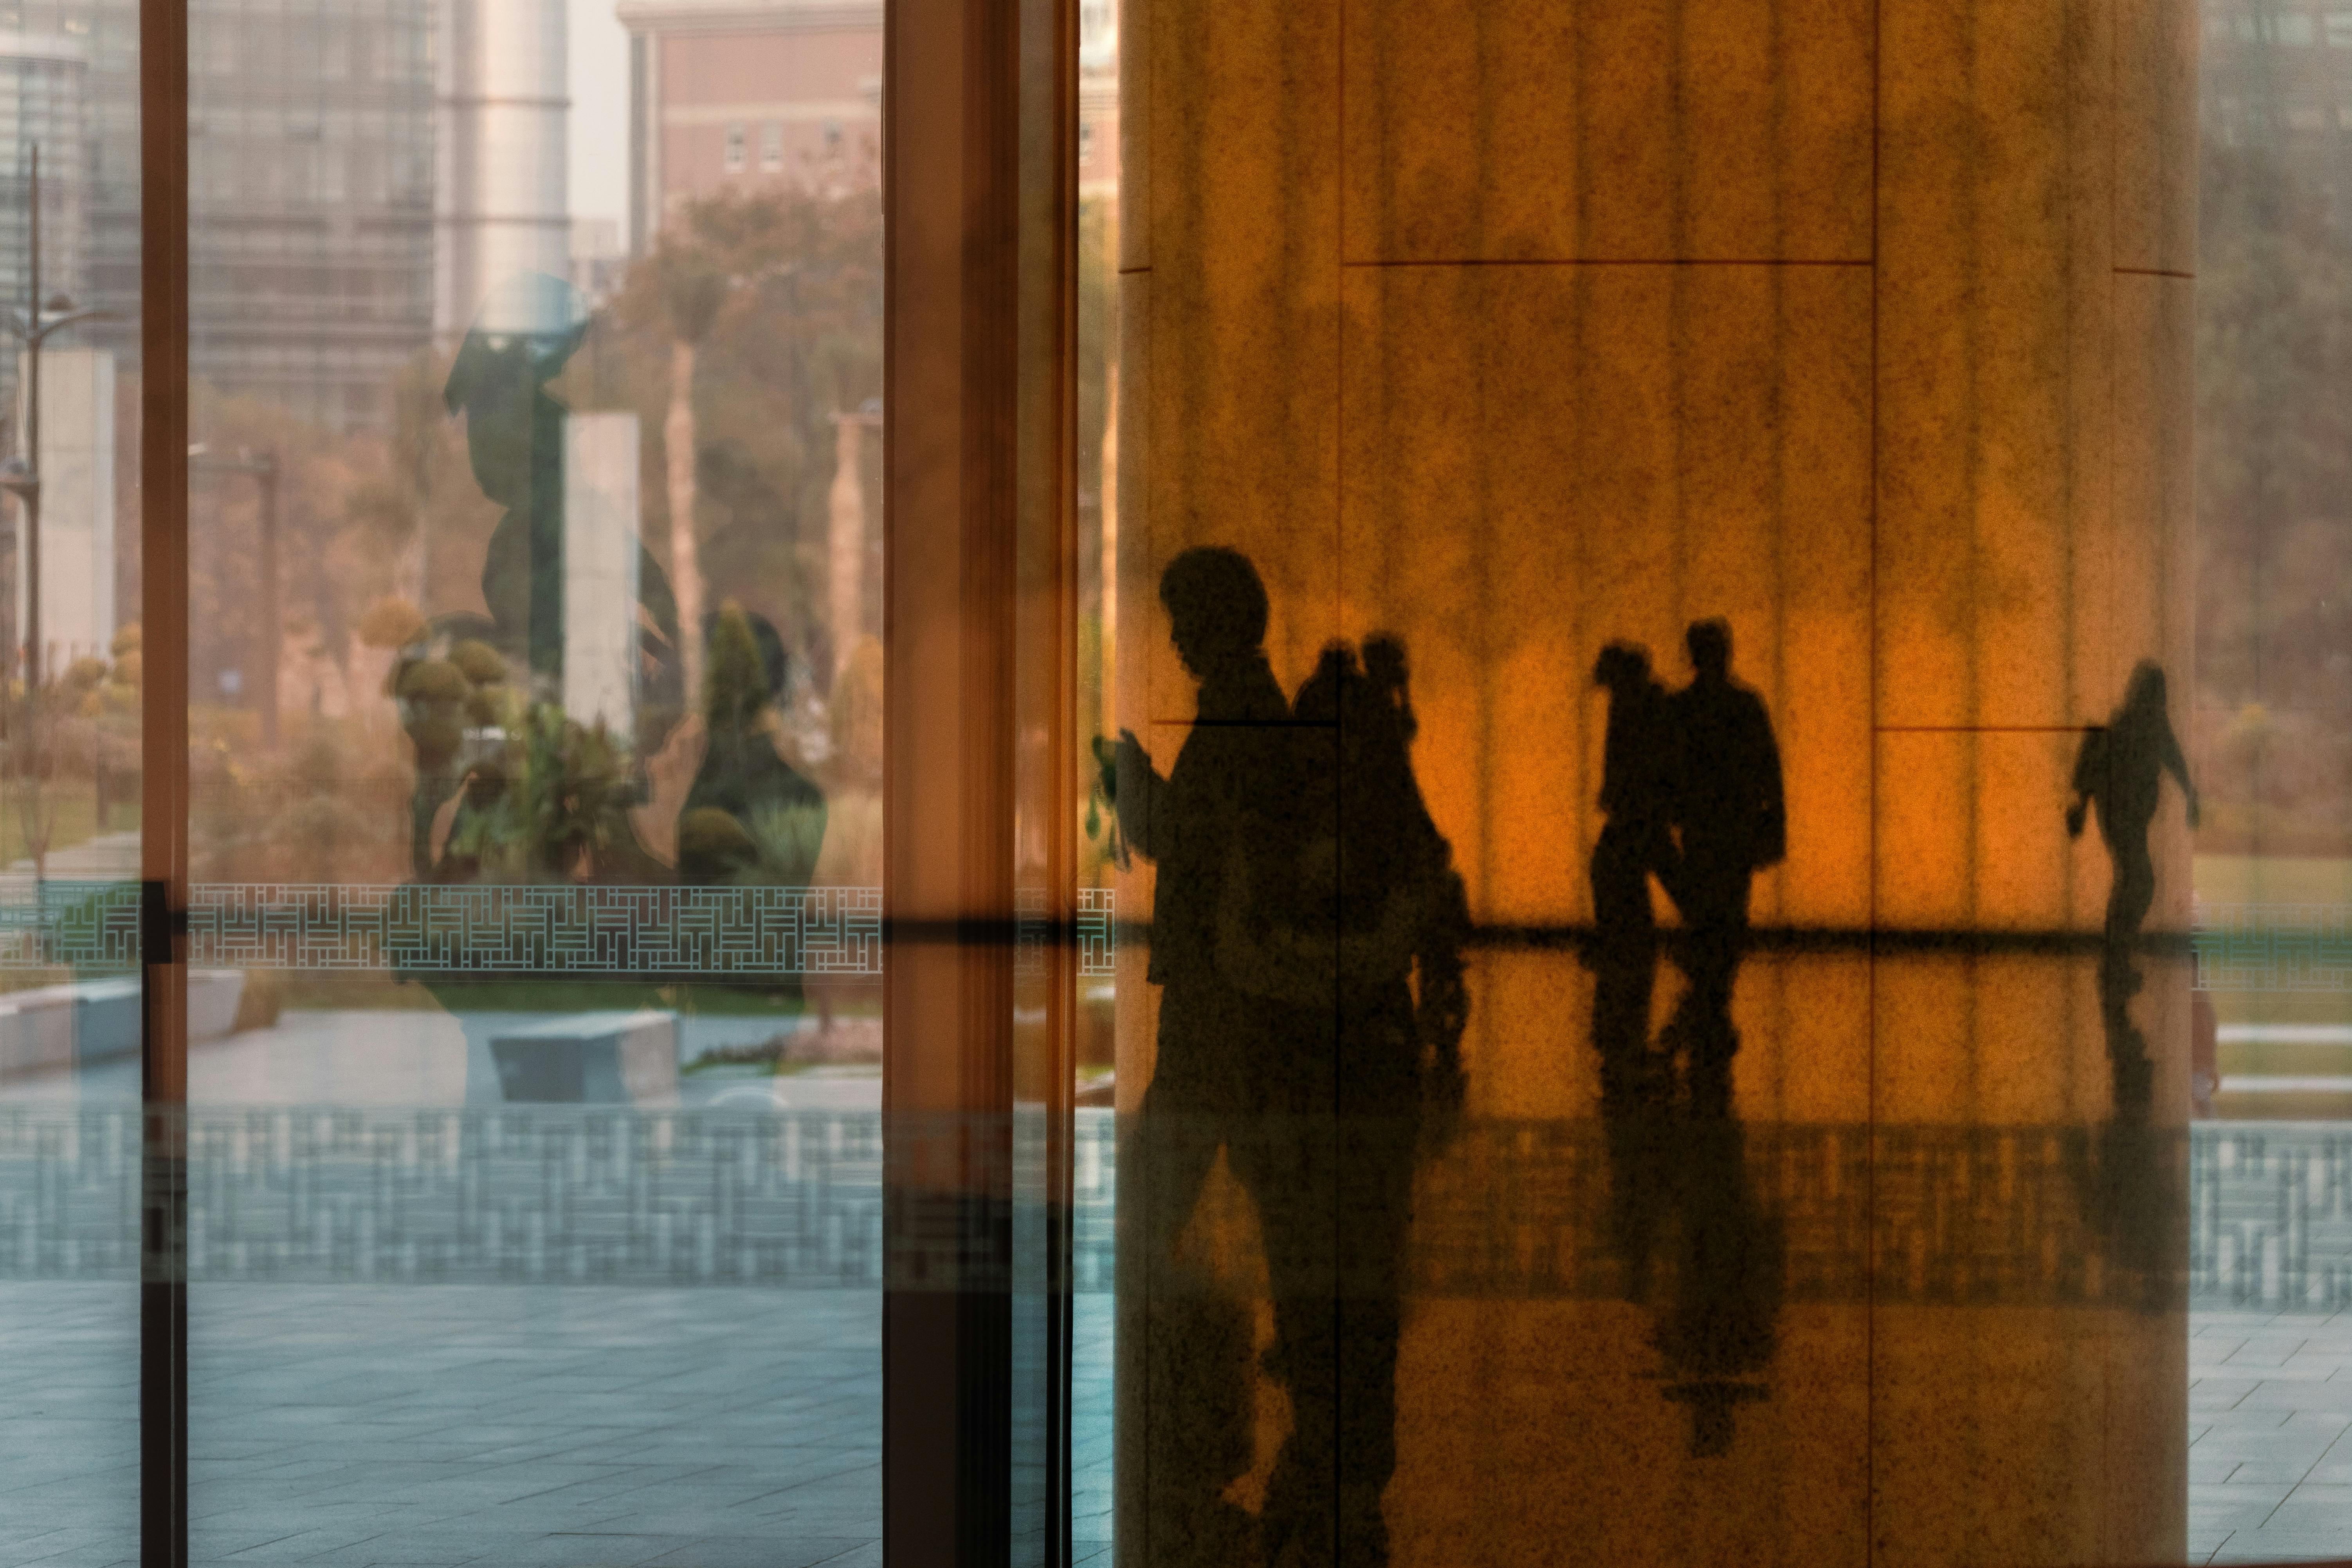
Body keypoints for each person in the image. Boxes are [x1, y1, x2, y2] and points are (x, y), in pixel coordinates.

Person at [1102, 546, 1303, 1565]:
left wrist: (1129, 776)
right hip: (1228, 995)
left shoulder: (1239, 718)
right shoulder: (1250, 709)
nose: (1175, 634)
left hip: (1219, 999)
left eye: (1185, 616)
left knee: (1165, 1175)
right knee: (1238, 1174)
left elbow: (1195, 840)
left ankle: (1173, 1376)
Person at [2067, 660, 2199, 1107]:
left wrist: (2191, 796)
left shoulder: (2147, 725)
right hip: (2120, 815)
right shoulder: (2126, 725)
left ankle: (2116, 957)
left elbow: (2174, 761)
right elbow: (2097, 759)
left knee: (2133, 882)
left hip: (2128, 816)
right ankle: (2115, 958)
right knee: (2138, 881)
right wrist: (2082, 807)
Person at [1666, 619, 1784, 1064]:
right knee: (1731, 912)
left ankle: (1707, 994)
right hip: (1734, 827)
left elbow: (1670, 770)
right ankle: (1716, 998)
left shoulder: (1683, 707)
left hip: (1702, 826)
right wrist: (1773, 827)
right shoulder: (1746, 705)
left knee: (1704, 910)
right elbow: (1769, 771)